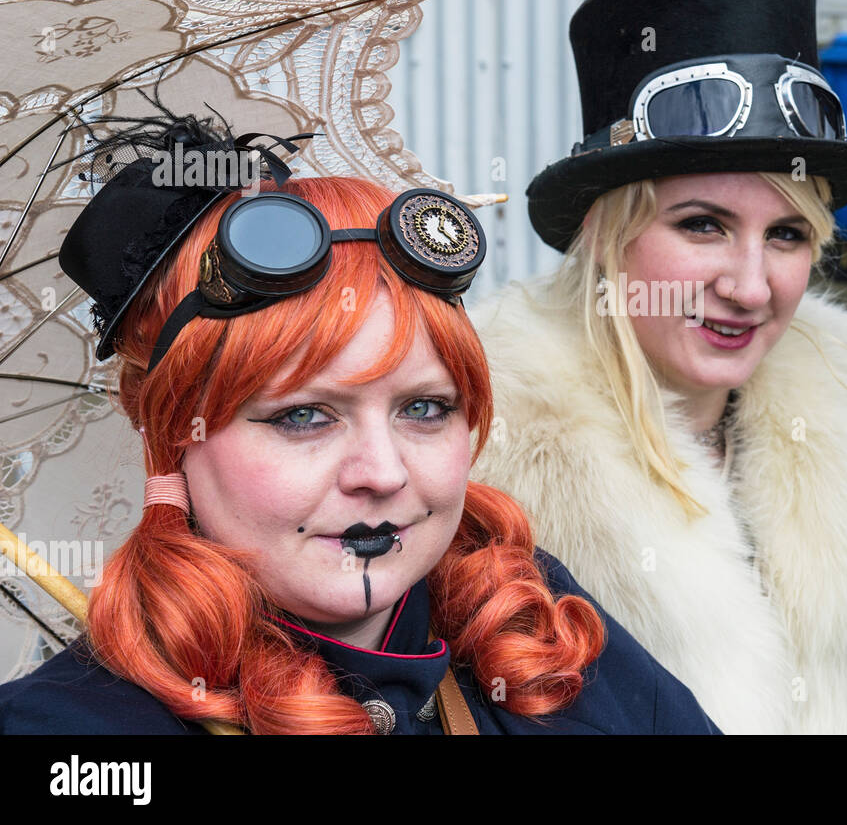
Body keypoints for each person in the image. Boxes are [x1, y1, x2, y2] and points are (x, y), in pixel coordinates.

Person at [0, 118, 719, 734]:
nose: (382, 471)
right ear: (171, 435)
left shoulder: (535, 628)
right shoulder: (69, 728)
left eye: (424, 408)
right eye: (304, 416)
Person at [468, 0, 847, 734]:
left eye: (788, 234)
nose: (752, 287)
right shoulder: (477, 454)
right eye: (703, 224)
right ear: (603, 231)